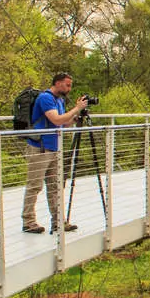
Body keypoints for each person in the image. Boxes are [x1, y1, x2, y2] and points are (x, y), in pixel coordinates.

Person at [22, 72, 88, 234]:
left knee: (55, 187)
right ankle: (28, 221)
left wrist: (75, 118)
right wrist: (77, 108)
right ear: (57, 83)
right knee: (34, 185)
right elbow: (56, 120)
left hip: (54, 147)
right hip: (40, 148)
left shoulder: (59, 100)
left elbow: (63, 123)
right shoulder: (46, 98)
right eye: (67, 85)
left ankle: (58, 221)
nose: (69, 88)